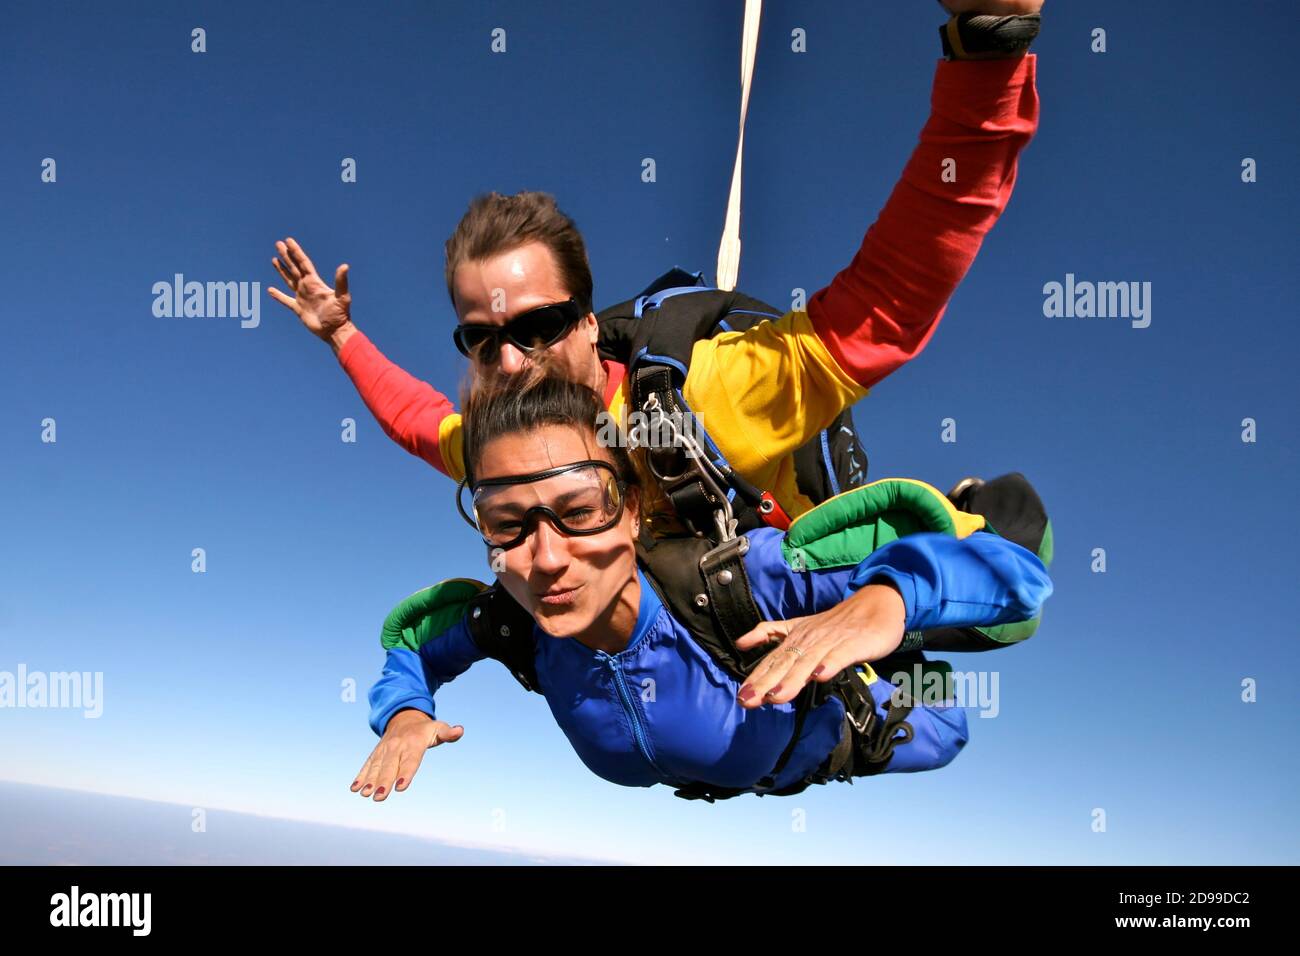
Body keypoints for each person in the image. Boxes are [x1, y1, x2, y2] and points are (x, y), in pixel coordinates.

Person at [268, 3, 1046, 539]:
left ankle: (974, 510)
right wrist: (341, 336)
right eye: (479, 341)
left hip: (810, 579)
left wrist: (990, 46)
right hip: (702, 638)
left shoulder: (711, 395)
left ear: (584, 320)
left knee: (996, 563)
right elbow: (418, 423)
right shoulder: (500, 443)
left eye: (535, 328)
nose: (507, 363)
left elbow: (891, 298)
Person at [352, 369, 1052, 802]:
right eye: (507, 525)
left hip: (867, 720)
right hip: (765, 766)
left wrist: (886, 602)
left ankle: (977, 499)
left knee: (951, 716)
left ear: (629, 512)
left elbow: (1020, 584)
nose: (547, 558)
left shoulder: (743, 581)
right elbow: (412, 645)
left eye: (579, 513)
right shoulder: (510, 622)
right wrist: (405, 713)